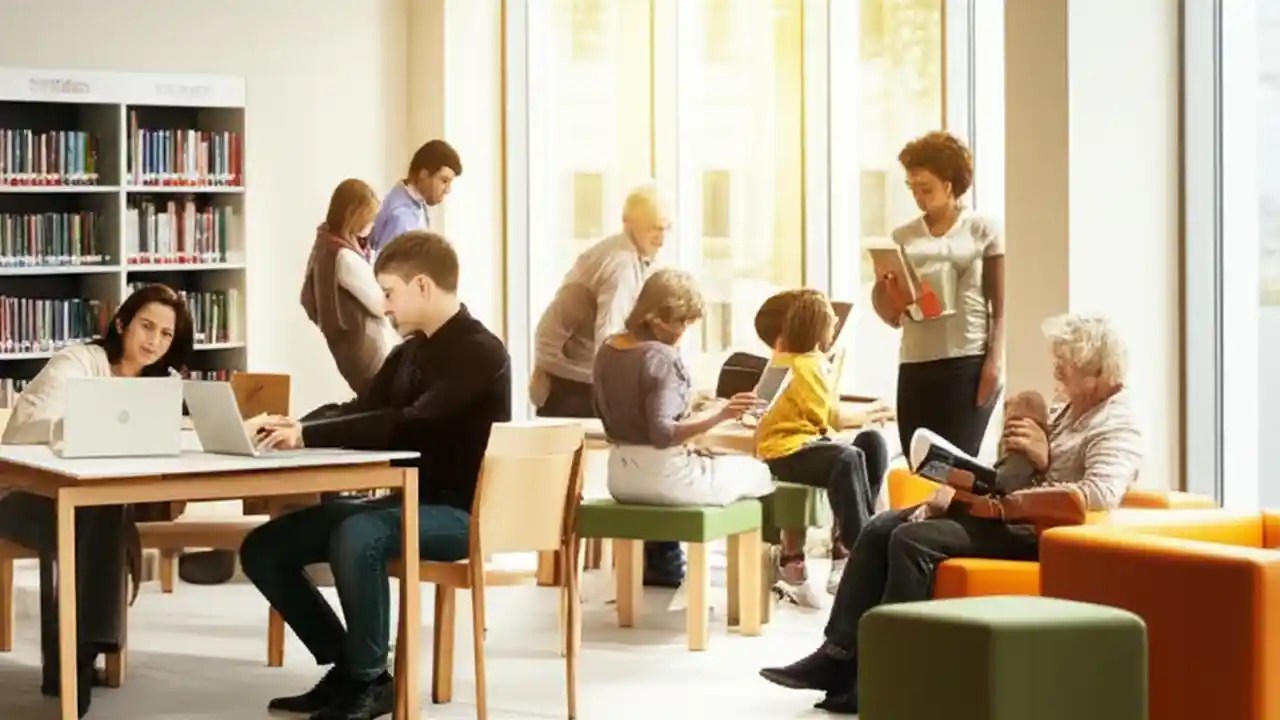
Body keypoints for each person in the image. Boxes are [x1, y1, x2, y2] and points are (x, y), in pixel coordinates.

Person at [759, 313, 1143, 715]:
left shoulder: (1118, 423)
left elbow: (1099, 494)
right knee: (881, 527)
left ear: (1098, 373)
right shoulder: (1068, 406)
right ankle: (838, 653)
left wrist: (1031, 479)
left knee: (912, 540)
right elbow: (1023, 468)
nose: (1056, 371)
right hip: (1003, 513)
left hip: (1038, 531)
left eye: (1066, 364)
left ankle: (886, 674)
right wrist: (967, 484)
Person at [239, 230, 510, 720]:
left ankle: (367, 679)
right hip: (407, 503)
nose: (383, 307)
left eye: (388, 292)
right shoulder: (409, 352)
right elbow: (362, 409)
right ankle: (351, 666)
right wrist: (294, 426)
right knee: (265, 547)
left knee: (358, 531)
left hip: (461, 513)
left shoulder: (481, 352)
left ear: (422, 286)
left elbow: (409, 423)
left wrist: (308, 435)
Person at [0, 283, 194, 718]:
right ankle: (81, 654)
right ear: (122, 323)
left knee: (102, 510)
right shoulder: (77, 362)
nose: (154, 341)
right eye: (147, 326)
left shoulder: (160, 386)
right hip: (22, 498)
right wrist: (81, 426)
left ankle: (77, 655)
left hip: (95, 507)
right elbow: (23, 428)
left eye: (165, 334)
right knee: (101, 515)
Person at [532, 182, 685, 586]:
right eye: (653, 228)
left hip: (571, 374)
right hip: (572, 381)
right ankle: (662, 560)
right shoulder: (620, 264)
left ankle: (656, 558)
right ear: (628, 222)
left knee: (655, 424)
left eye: (666, 228)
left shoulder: (628, 255)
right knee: (655, 434)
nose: (661, 237)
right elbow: (610, 341)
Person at [752, 290, 889, 607]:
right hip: (783, 453)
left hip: (800, 445)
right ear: (819, 329)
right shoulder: (809, 364)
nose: (835, 327)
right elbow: (830, 419)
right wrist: (876, 410)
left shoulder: (790, 360)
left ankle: (849, 545)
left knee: (871, 443)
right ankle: (859, 549)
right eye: (831, 323)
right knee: (848, 457)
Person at [593, 268, 774, 509]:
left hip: (619, 478)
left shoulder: (607, 349)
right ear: (655, 317)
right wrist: (722, 415)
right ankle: (771, 536)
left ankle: (666, 539)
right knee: (758, 472)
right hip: (665, 478)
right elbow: (663, 434)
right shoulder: (662, 357)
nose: (681, 332)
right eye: (681, 322)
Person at [871, 130, 1004, 459]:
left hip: (967, 360)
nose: (918, 196)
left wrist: (994, 362)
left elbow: (1000, 308)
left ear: (949, 184)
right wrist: (889, 294)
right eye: (912, 188)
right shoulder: (903, 236)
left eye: (926, 188)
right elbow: (891, 314)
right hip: (915, 361)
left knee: (956, 465)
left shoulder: (983, 229)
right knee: (918, 463)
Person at [302, 178, 402, 396]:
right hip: (369, 352)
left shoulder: (325, 244)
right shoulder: (344, 256)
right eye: (369, 218)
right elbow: (380, 305)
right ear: (353, 216)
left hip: (355, 352)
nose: (372, 225)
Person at [368, 139, 462, 254]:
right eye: (444, 181)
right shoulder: (402, 217)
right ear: (424, 174)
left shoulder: (412, 202)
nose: (447, 190)